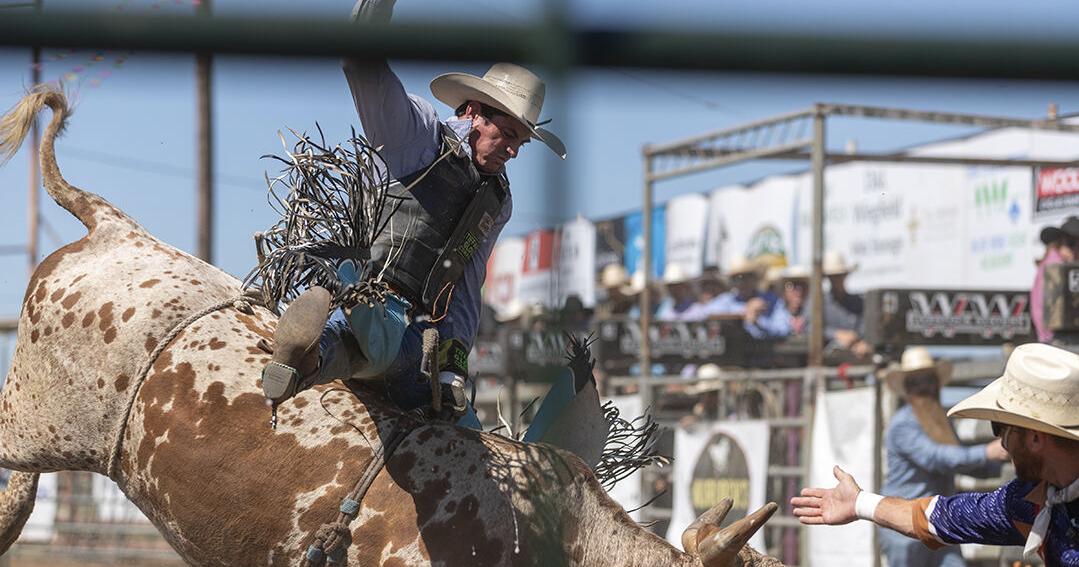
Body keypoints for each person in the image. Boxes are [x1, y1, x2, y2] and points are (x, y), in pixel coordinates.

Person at [260, 0, 566, 417]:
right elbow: (361, 65)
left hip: (421, 333)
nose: (512, 150)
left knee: (458, 420)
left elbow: (466, 282)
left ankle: (311, 355)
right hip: (366, 291)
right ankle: (306, 358)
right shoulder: (419, 136)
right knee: (373, 339)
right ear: (474, 113)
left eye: (521, 142)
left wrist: (454, 365)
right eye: (508, 133)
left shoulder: (498, 200)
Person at [792, 342, 1079, 567]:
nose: (1002, 442)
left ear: (1036, 438)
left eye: (1002, 428)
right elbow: (941, 477)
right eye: (916, 383)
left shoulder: (1030, 501)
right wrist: (860, 502)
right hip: (904, 535)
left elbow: (950, 487)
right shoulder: (1029, 501)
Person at [877, 346, 1009, 567]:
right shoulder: (903, 424)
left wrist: (1006, 464)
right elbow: (938, 458)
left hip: (937, 522)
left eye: (928, 380)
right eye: (915, 382)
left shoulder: (940, 422)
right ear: (907, 390)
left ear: (937, 383)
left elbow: (960, 462)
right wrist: (988, 452)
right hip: (905, 523)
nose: (924, 387)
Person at [702, 255, 787, 338]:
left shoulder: (771, 300)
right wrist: (744, 313)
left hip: (764, 351)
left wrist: (758, 322)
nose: (741, 282)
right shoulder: (726, 300)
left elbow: (783, 329)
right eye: (736, 278)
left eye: (746, 277)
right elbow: (705, 315)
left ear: (754, 278)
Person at [1033, 217, 1079, 343]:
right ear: (1061, 243)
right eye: (1071, 244)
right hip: (1053, 336)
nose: (1075, 250)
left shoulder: (1060, 264)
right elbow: (1045, 305)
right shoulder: (1055, 265)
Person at [822, 251, 872, 358]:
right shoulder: (819, 303)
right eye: (833, 276)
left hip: (856, 358)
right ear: (828, 278)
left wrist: (862, 342)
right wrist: (836, 334)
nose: (837, 280)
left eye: (840, 275)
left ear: (845, 276)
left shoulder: (858, 302)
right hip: (828, 361)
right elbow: (809, 328)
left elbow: (865, 326)